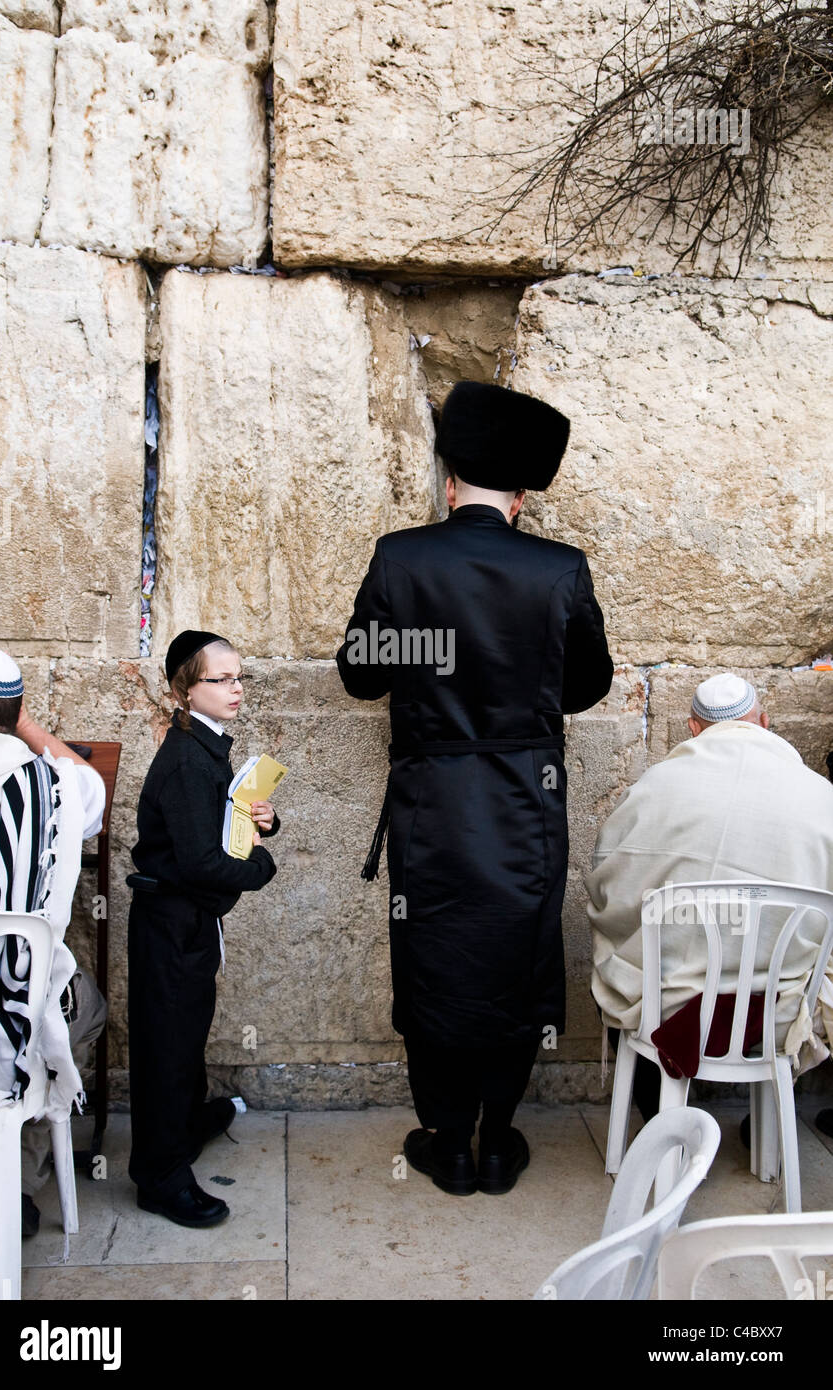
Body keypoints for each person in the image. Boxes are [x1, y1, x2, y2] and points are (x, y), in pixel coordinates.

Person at [336, 379, 613, 1195]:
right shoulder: (560, 568)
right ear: (520, 499)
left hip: (432, 801)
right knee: (517, 960)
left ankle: (447, 1142)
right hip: (527, 795)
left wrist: (430, 654)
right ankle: (499, 1142)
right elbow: (586, 685)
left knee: (435, 959)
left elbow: (358, 676)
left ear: (449, 483)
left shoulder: (401, 556)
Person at [587, 672, 833, 1125]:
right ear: (764, 721)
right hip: (778, 1007)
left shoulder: (652, 790)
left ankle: (664, 1129)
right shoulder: (822, 796)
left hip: (668, 1004)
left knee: (624, 969)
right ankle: (769, 1132)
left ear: (692, 728)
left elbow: (608, 888)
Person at [127, 630, 280, 1228]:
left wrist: (261, 816)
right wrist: (261, 864)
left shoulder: (205, 745)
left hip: (187, 920)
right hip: (169, 921)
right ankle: (160, 1176)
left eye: (240, 676)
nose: (236, 688)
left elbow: (221, 827)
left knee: (186, 1031)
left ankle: (187, 1123)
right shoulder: (188, 759)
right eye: (220, 679)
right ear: (184, 690)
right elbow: (199, 862)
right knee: (166, 1046)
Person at [0, 645, 107, 1237]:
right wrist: (23, 724)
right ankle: (9, 1182)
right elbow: (94, 797)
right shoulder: (48, 781)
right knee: (81, 1008)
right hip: (6, 1022)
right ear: (14, 711)